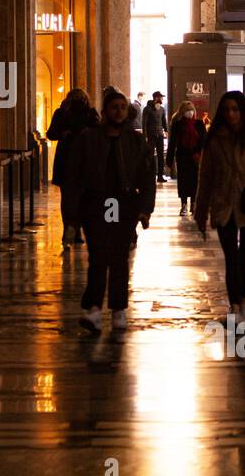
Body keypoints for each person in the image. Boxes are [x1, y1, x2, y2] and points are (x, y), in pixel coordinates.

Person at [62, 88, 156, 334]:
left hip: (123, 203)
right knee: (98, 256)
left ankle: (118, 308)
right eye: (114, 107)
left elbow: (147, 176)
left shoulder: (135, 141)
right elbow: (73, 177)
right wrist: (71, 216)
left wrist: (145, 209)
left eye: (122, 107)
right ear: (105, 111)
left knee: (118, 258)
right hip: (97, 203)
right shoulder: (89, 139)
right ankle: (93, 308)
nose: (119, 112)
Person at [194, 90, 245, 320]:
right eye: (227, 109)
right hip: (223, 203)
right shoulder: (215, 140)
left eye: (235, 109)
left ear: (243, 112)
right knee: (231, 255)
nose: (231, 114)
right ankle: (235, 305)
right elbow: (205, 176)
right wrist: (200, 211)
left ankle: (244, 301)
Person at [46, 89, 98, 249]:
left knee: (68, 199)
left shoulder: (62, 113)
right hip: (85, 160)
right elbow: (99, 132)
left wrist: (64, 134)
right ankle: (76, 230)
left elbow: (51, 133)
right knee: (82, 197)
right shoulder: (90, 113)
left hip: (66, 160)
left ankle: (70, 229)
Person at [166, 100, 206, 215]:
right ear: (182, 112)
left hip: (195, 157)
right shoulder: (177, 125)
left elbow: (203, 141)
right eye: (187, 110)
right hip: (182, 157)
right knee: (183, 181)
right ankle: (183, 204)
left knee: (194, 181)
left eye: (191, 110)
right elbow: (172, 142)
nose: (190, 112)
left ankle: (193, 203)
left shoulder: (199, 124)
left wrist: (200, 154)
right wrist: (169, 159)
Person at [141, 90, 168, 183]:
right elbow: (144, 123)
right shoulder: (147, 109)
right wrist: (145, 136)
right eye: (160, 97)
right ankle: (150, 176)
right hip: (151, 135)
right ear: (156, 98)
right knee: (150, 156)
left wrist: (166, 131)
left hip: (160, 135)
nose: (161, 99)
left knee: (160, 156)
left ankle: (160, 176)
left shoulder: (162, 109)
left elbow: (164, 121)